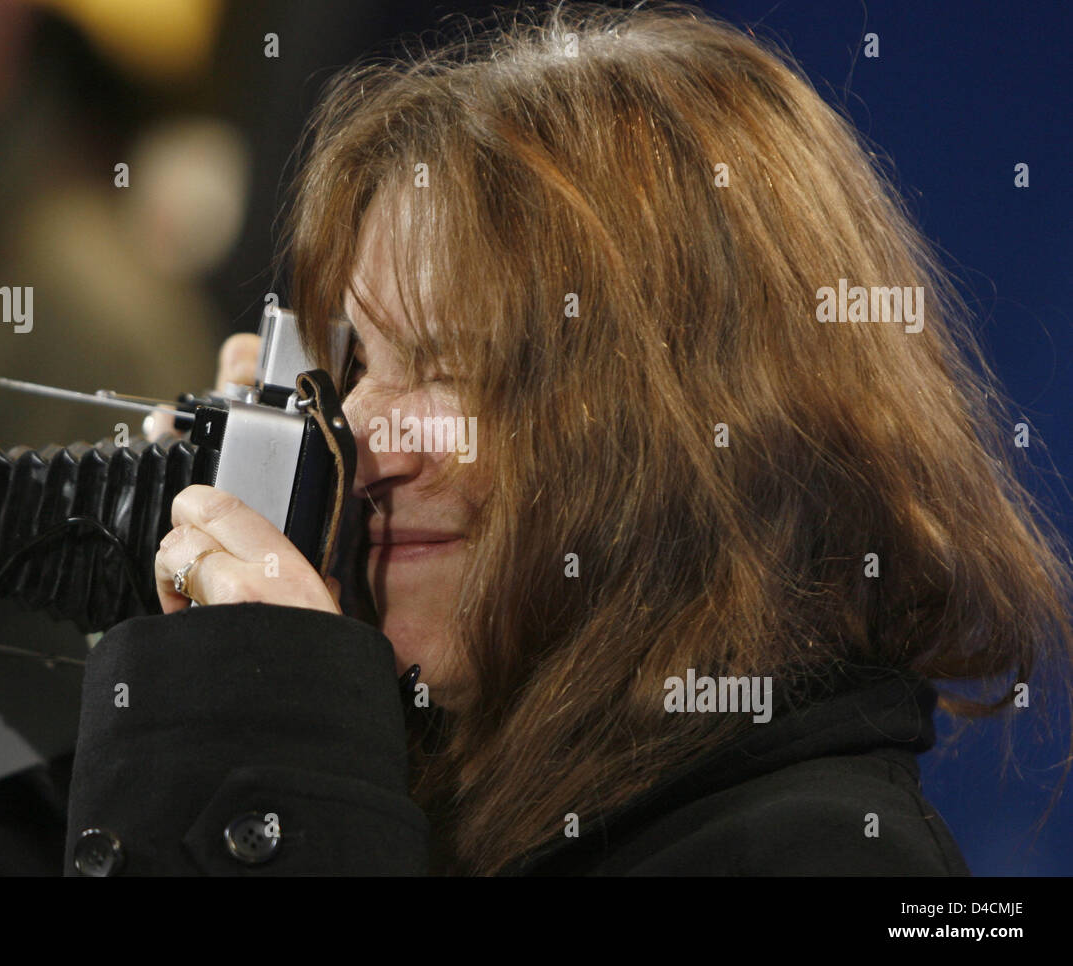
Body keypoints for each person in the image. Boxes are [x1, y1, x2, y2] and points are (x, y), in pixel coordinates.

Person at [63, 3, 1073, 876]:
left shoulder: (828, 856)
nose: (362, 436)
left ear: (687, 426)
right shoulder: (421, 769)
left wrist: (276, 760)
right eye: (359, 365)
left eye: (459, 366)